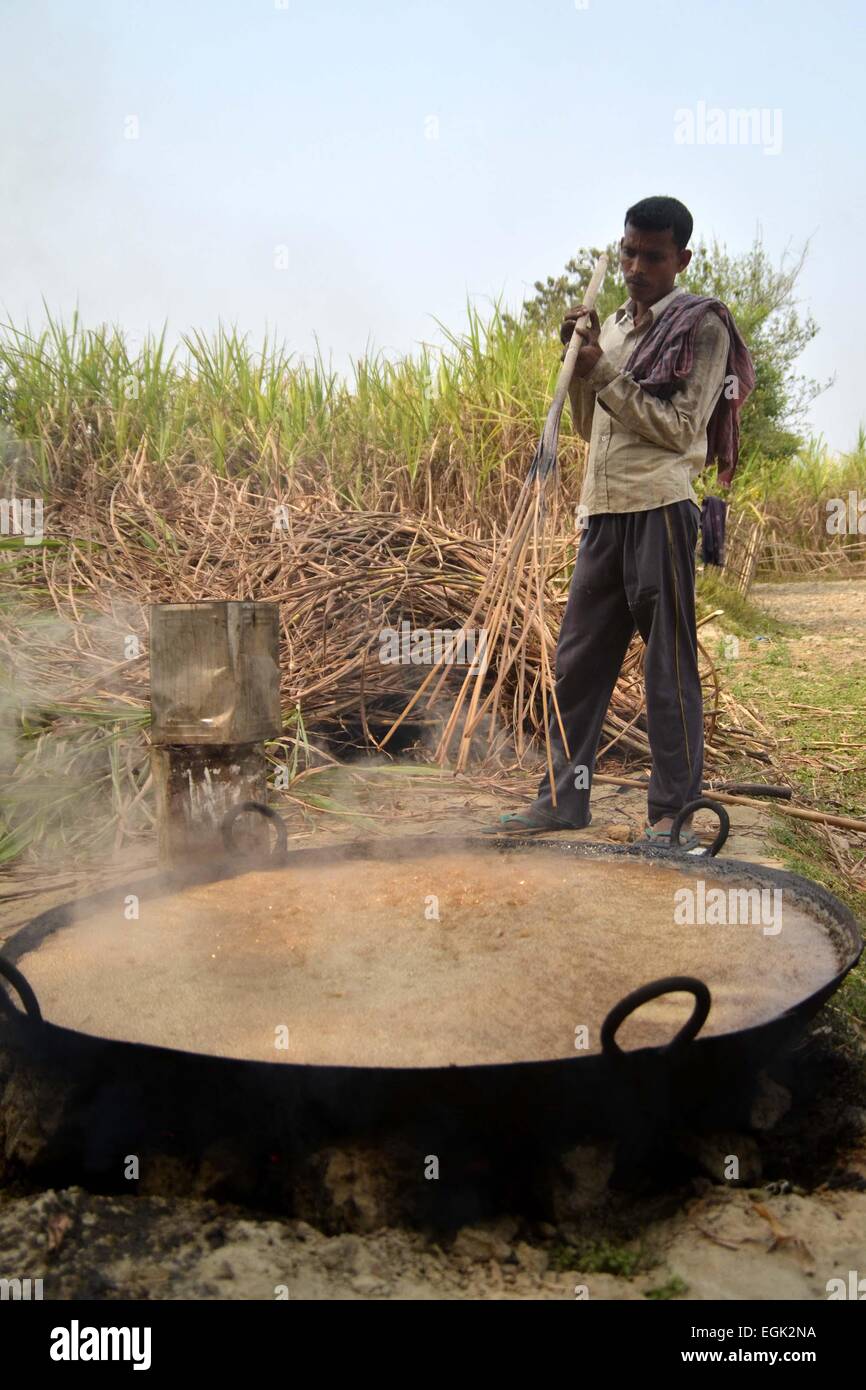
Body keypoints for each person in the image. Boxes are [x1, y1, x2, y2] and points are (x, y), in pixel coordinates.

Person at [491, 195, 754, 847]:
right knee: (577, 665)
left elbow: (680, 428)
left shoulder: (701, 326)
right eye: (629, 251)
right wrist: (579, 366)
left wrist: (603, 369)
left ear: (681, 259)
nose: (636, 266)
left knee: (666, 666)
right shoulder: (609, 325)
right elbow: (588, 426)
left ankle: (672, 815)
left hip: (660, 510)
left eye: (653, 255)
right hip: (602, 514)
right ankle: (563, 799)